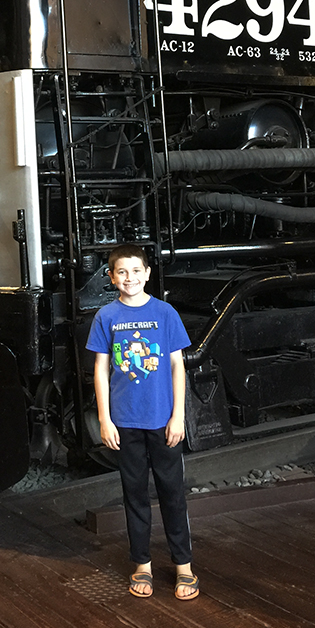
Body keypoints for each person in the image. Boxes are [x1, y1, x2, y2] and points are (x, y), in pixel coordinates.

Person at [86, 243, 198, 601]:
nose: (129, 278)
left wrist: (178, 415)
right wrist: (105, 419)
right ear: (111, 277)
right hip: (125, 422)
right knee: (134, 495)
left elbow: (178, 366)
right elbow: (101, 370)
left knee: (172, 494)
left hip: (163, 421)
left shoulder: (165, 314)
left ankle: (184, 566)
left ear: (148, 274)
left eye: (136, 271)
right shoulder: (105, 317)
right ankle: (142, 565)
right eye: (121, 272)